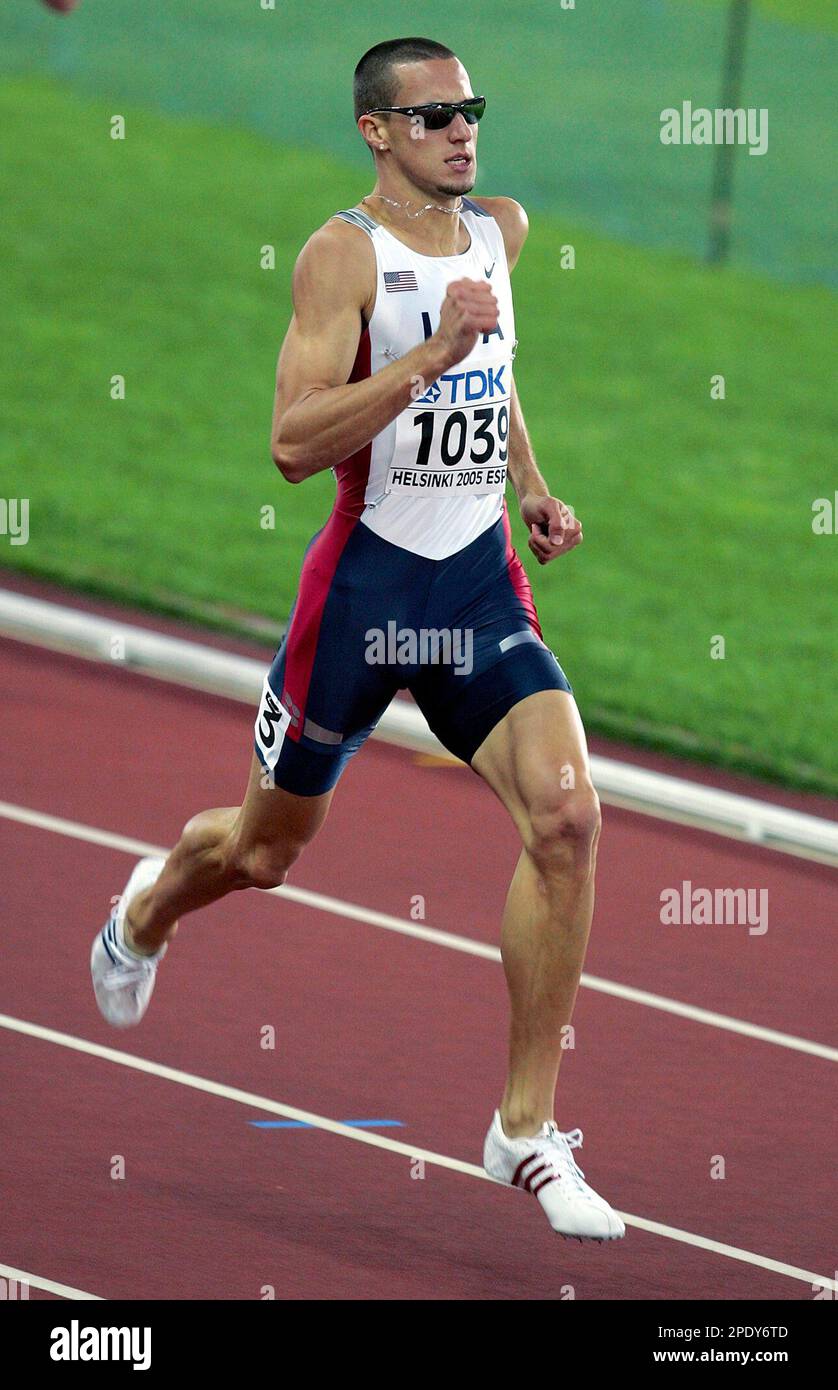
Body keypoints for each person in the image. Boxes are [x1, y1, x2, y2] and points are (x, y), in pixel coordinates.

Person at [91, 36, 624, 1243]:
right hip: (365, 596)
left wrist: (529, 483)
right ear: (376, 133)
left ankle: (525, 1132)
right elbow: (293, 441)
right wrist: (430, 350)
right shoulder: (342, 258)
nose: (462, 131)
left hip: (477, 591)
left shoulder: (502, 230)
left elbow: (499, 370)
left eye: (470, 110)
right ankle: (146, 910)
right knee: (264, 853)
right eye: (432, 116)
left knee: (569, 818)